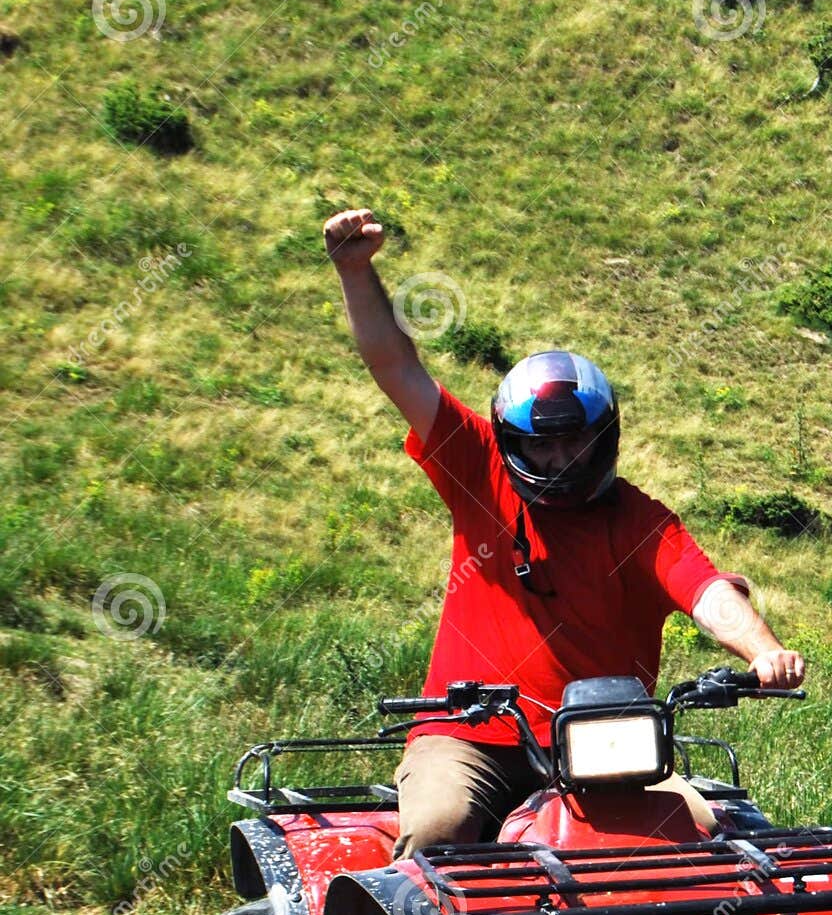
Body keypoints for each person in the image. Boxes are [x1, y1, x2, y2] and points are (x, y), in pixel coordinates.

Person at [324, 207, 806, 857]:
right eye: (541, 446)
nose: (558, 461)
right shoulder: (476, 466)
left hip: (604, 742)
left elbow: (706, 592)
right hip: (466, 735)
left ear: (602, 439)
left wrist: (763, 651)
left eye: (574, 443)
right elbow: (395, 366)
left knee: (702, 835)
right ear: (513, 443)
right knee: (441, 830)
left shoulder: (638, 520)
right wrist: (355, 272)